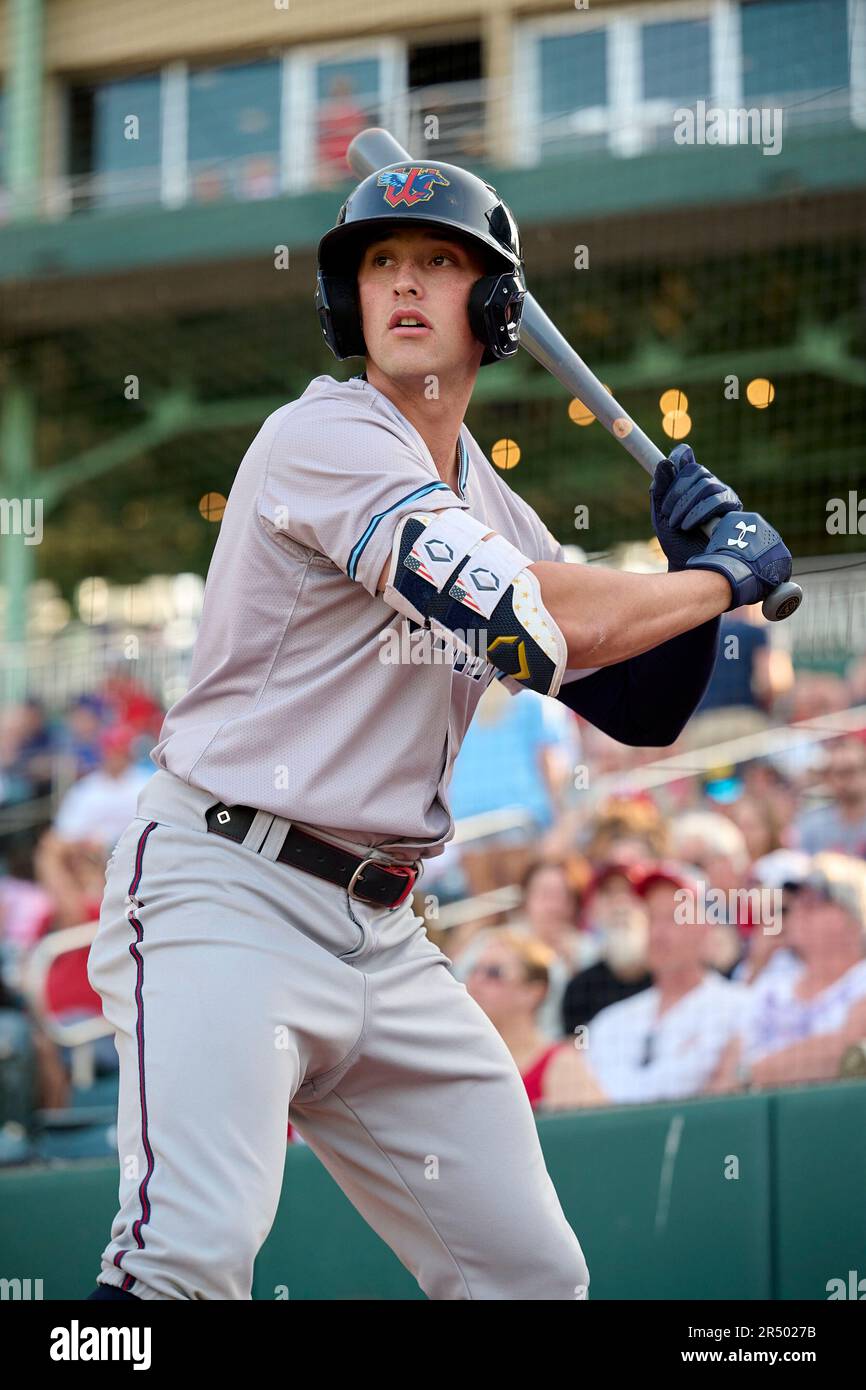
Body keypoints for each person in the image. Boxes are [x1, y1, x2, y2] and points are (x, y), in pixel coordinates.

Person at [83, 159, 792, 1302]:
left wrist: (681, 569)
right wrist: (718, 579)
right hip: (226, 889)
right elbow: (516, 625)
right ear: (346, 303)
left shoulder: (477, 494)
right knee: (186, 1261)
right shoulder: (325, 436)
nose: (404, 285)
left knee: (530, 1275)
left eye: (438, 262)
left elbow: (636, 705)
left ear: (496, 307)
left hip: (383, 927)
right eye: (380, 264)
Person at [581, 865, 748, 1103]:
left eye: (674, 918)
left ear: (705, 927)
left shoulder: (738, 1007)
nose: (659, 933)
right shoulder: (608, 1023)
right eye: (651, 918)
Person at [708, 853, 866, 1092]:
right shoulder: (770, 987)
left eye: (814, 902)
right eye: (795, 903)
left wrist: (752, 1073)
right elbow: (722, 1079)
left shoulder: (860, 979)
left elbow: (848, 1052)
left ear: (854, 917)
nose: (799, 910)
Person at [465, 930, 607, 1112]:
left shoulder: (562, 1065)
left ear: (534, 992)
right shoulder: (462, 1058)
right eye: (473, 970)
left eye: (494, 973)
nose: (476, 982)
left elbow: (590, 1135)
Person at [790, 734, 866, 858]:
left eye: (853, 770)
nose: (850, 780)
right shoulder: (813, 824)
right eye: (841, 773)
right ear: (829, 778)